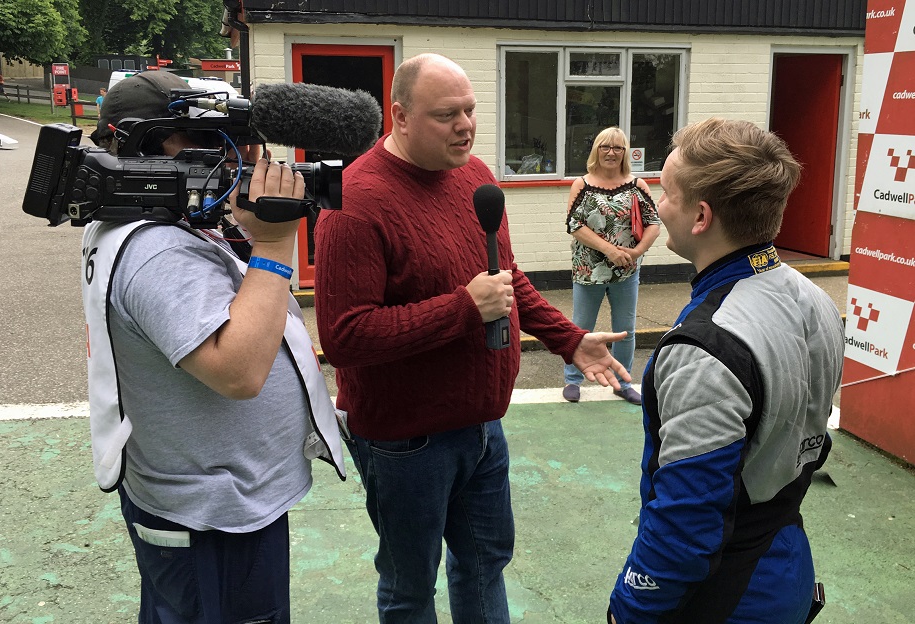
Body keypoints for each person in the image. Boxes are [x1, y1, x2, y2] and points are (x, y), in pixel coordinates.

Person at [314, 52, 630, 623]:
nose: (465, 125)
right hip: (405, 442)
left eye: (470, 110)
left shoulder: (478, 178)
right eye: (446, 115)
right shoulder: (354, 203)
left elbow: (506, 283)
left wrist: (568, 339)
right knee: (410, 586)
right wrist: (461, 308)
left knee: (484, 565)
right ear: (401, 117)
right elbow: (344, 337)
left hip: (483, 425)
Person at [84, 70, 345, 623]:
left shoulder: (154, 224)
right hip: (207, 516)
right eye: (205, 140)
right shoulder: (155, 251)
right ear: (142, 148)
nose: (230, 157)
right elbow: (239, 371)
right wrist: (275, 242)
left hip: (219, 501)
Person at [607, 118, 844, 624]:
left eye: (666, 192)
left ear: (701, 217)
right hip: (787, 567)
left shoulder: (707, 347)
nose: (655, 204)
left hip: (725, 597)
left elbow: (686, 525)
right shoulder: (817, 300)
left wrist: (627, 610)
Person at [562, 127, 661, 405]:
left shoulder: (637, 186)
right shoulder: (582, 185)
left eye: (618, 148)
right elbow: (574, 225)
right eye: (606, 146)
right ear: (596, 149)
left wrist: (637, 251)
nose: (611, 152)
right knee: (581, 327)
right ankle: (572, 380)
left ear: (625, 152)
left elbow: (654, 223)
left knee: (625, 330)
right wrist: (609, 250)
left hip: (626, 272)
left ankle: (623, 382)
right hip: (587, 271)